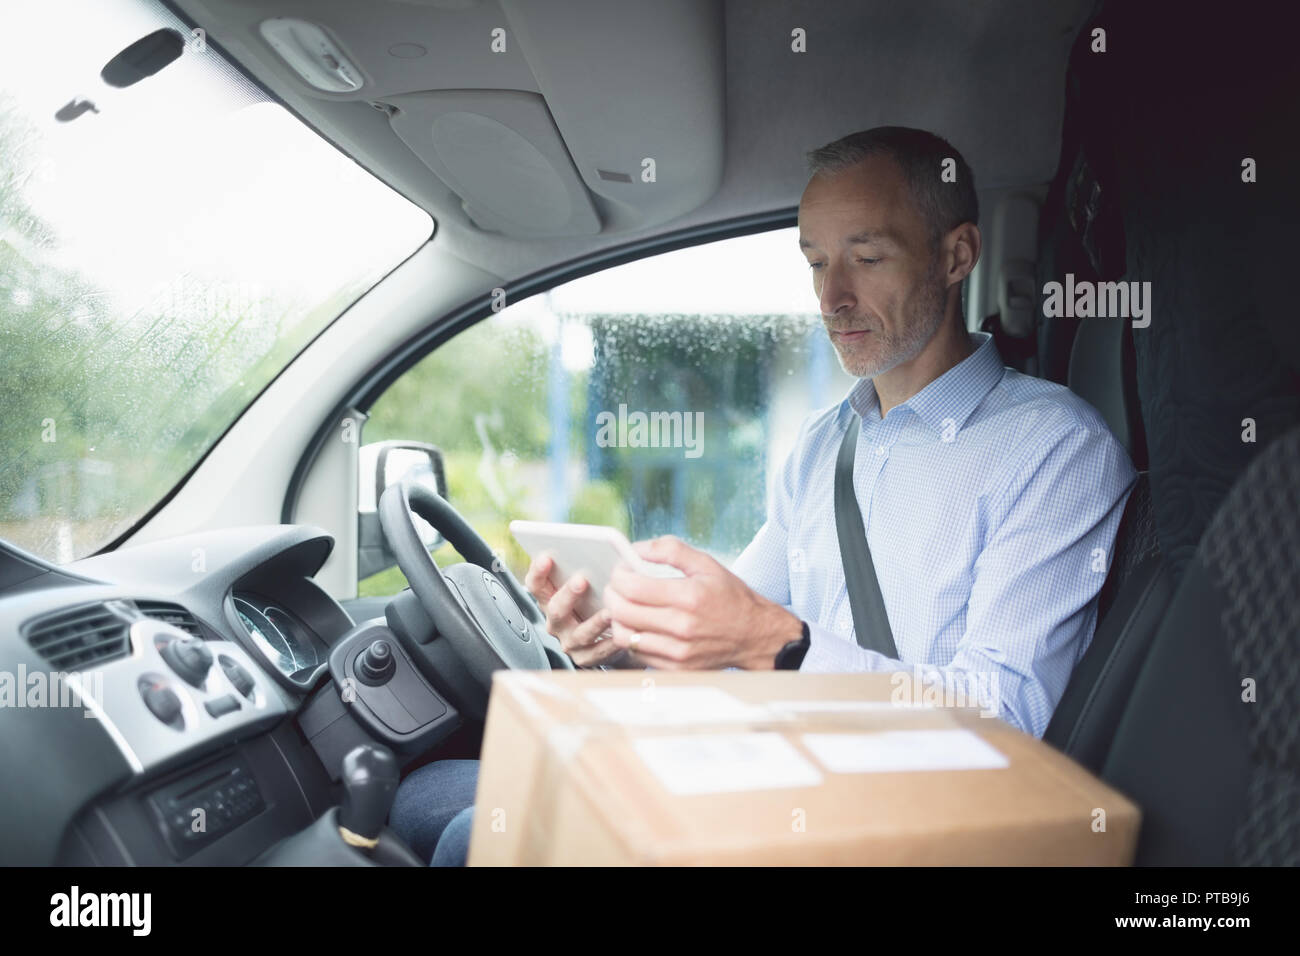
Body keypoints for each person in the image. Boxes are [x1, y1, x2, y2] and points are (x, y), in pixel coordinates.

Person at [389, 126, 1137, 866]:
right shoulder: (823, 445)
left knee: (468, 835)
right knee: (428, 794)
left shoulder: (1055, 449)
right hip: (778, 774)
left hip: (901, 823)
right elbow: (731, 632)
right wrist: (624, 648)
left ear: (956, 255)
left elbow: (1009, 723)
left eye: (866, 258)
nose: (832, 296)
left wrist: (777, 644)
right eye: (815, 262)